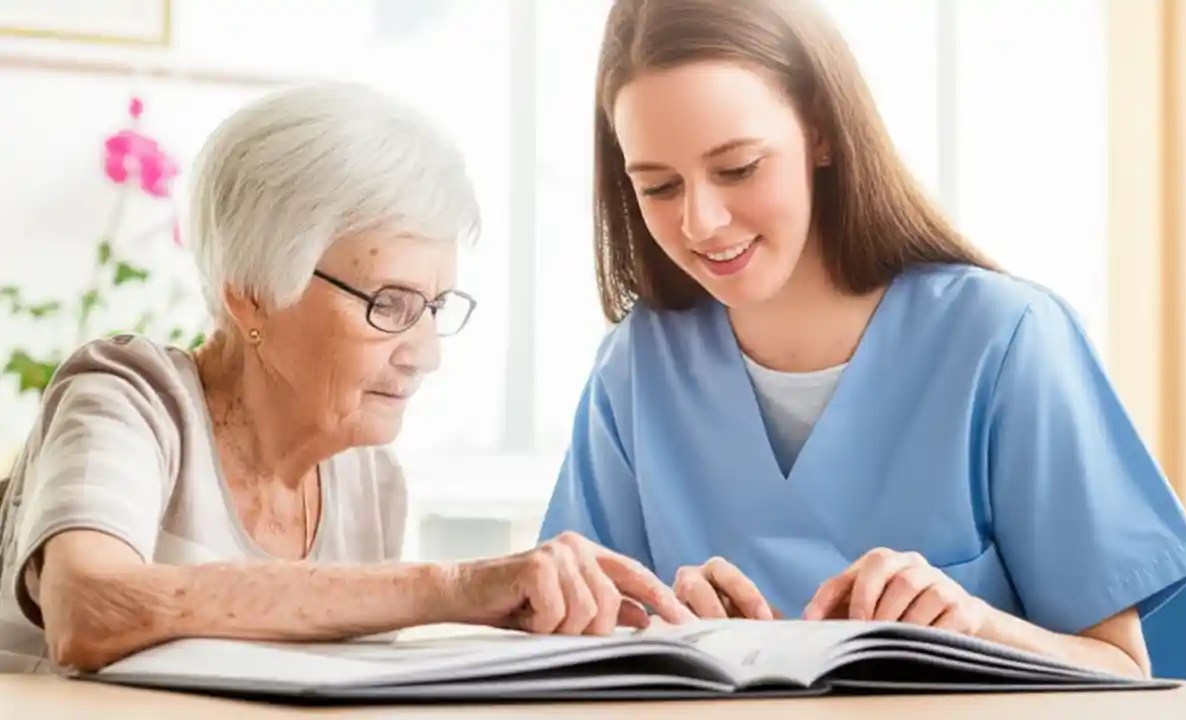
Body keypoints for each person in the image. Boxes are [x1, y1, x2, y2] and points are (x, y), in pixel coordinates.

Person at [539, 0, 1186, 678]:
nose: (702, 221)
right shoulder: (635, 370)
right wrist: (661, 636)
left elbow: (1124, 671)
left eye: (739, 168)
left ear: (822, 131)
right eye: (658, 186)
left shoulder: (1003, 340)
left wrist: (972, 624)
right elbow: (573, 647)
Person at [0, 82, 691, 674]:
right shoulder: (129, 397)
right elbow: (86, 607)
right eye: (389, 303)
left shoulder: (367, 481)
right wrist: (449, 586)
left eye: (435, 307)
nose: (425, 354)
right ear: (251, 294)